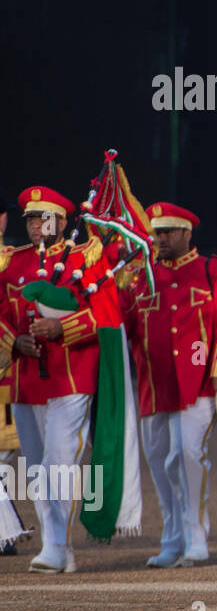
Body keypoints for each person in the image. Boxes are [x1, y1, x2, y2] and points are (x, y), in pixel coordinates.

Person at [121, 202, 217, 568]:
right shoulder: (138, 278)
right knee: (160, 462)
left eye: (167, 232)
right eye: (156, 232)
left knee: (186, 454)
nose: (160, 239)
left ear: (186, 233)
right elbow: (121, 327)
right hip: (153, 386)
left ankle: (196, 537)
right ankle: (172, 537)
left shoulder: (215, 270)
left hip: (198, 383)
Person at [0, 187, 107, 573]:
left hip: (72, 375)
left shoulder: (86, 258)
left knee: (57, 463)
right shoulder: (11, 264)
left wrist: (62, 326)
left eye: (42, 217)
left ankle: (55, 545)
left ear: (62, 222)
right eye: (29, 218)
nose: (34, 225)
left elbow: (106, 316)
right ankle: (58, 547)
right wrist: (15, 341)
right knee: (34, 469)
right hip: (27, 378)